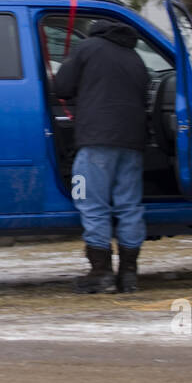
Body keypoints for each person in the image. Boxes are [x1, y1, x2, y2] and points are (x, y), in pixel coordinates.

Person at [52, 19, 152, 293]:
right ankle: (129, 274)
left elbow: (61, 87)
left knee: (91, 203)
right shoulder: (134, 57)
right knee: (129, 206)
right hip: (132, 143)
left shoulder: (87, 48)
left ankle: (101, 273)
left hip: (96, 141)